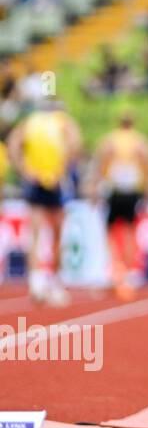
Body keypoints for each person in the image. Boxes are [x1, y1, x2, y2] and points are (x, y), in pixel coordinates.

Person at [7, 100, 81, 306]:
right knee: (57, 234)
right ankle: (55, 283)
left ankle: (36, 282)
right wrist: (63, 169)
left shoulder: (29, 122)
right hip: (56, 181)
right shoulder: (64, 122)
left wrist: (24, 170)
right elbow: (75, 145)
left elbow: (13, 145)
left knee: (36, 233)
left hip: (35, 180)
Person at [92, 113, 148, 301]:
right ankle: (127, 272)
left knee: (111, 231)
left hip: (115, 189)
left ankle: (117, 269)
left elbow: (102, 162)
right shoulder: (140, 141)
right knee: (128, 231)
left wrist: (96, 187)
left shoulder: (110, 140)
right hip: (131, 190)